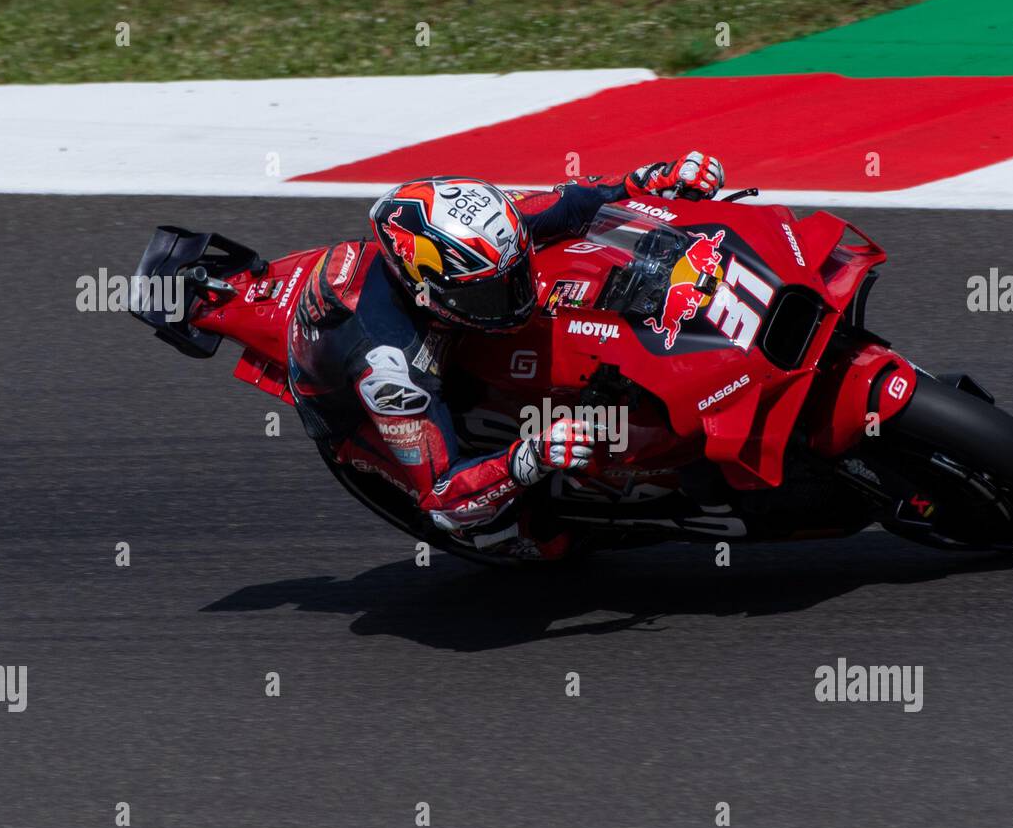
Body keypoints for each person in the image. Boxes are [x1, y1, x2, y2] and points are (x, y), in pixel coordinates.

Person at [287, 152, 725, 558]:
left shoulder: (491, 229)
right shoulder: (391, 369)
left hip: (435, 331)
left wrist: (655, 178)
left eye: (516, 276)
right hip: (358, 418)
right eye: (490, 293)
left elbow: (574, 202)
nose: (516, 297)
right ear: (430, 291)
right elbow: (442, 496)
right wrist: (530, 456)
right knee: (519, 537)